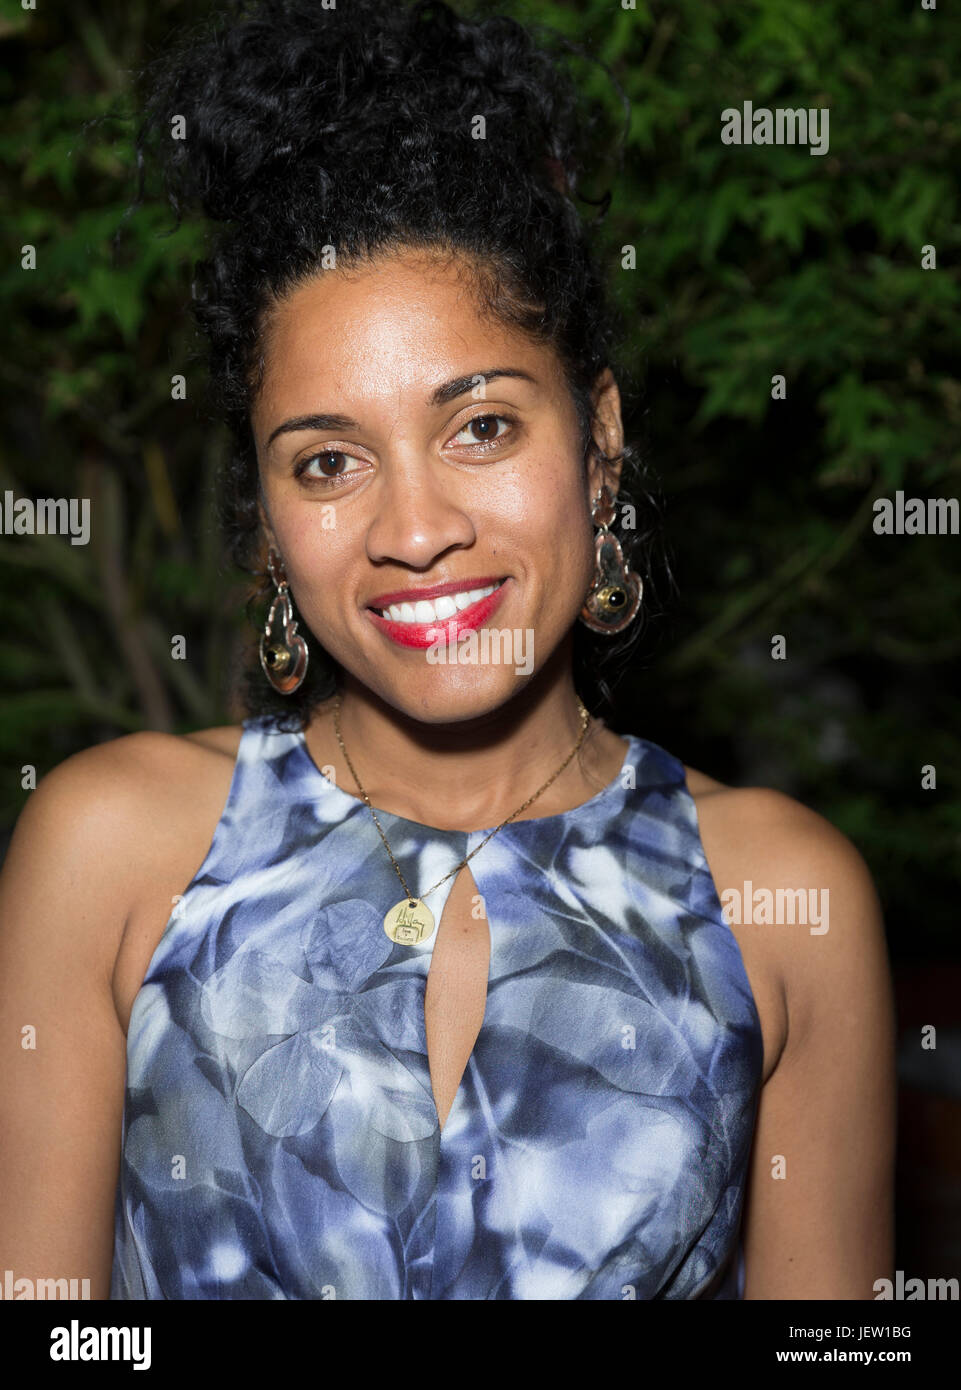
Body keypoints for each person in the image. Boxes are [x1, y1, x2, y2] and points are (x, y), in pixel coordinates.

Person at [0, 0, 894, 1300]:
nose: (414, 530)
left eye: (479, 426)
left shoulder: (784, 896)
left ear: (598, 442)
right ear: (266, 514)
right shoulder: (112, 845)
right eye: (328, 459)